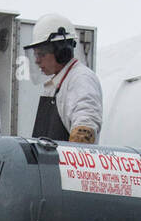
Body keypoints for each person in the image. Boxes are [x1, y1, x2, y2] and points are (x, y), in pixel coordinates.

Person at [24, 14, 102, 143]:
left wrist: (80, 138)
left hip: (64, 157)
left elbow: (86, 119)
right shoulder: (58, 83)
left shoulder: (81, 78)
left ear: (61, 52)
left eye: (41, 54)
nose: (37, 61)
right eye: (36, 55)